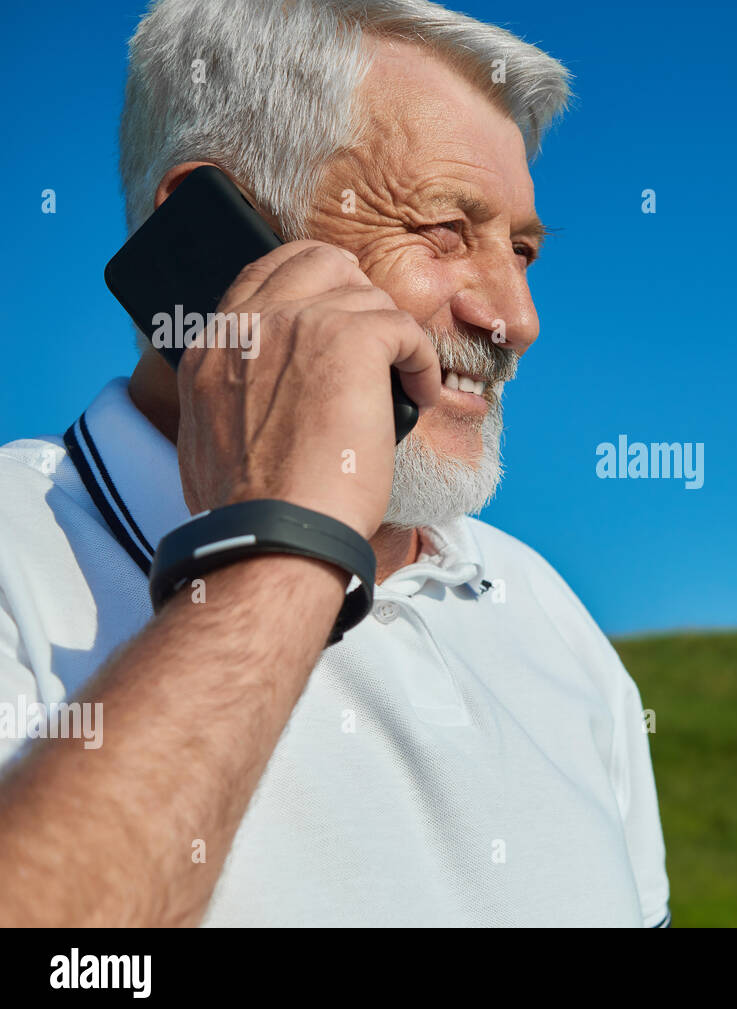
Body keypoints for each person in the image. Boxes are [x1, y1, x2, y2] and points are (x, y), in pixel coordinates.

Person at [0, 0, 669, 928]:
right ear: (211, 238)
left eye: (520, 250)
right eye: (444, 230)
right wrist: (273, 553)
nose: (517, 320)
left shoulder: (551, 618)